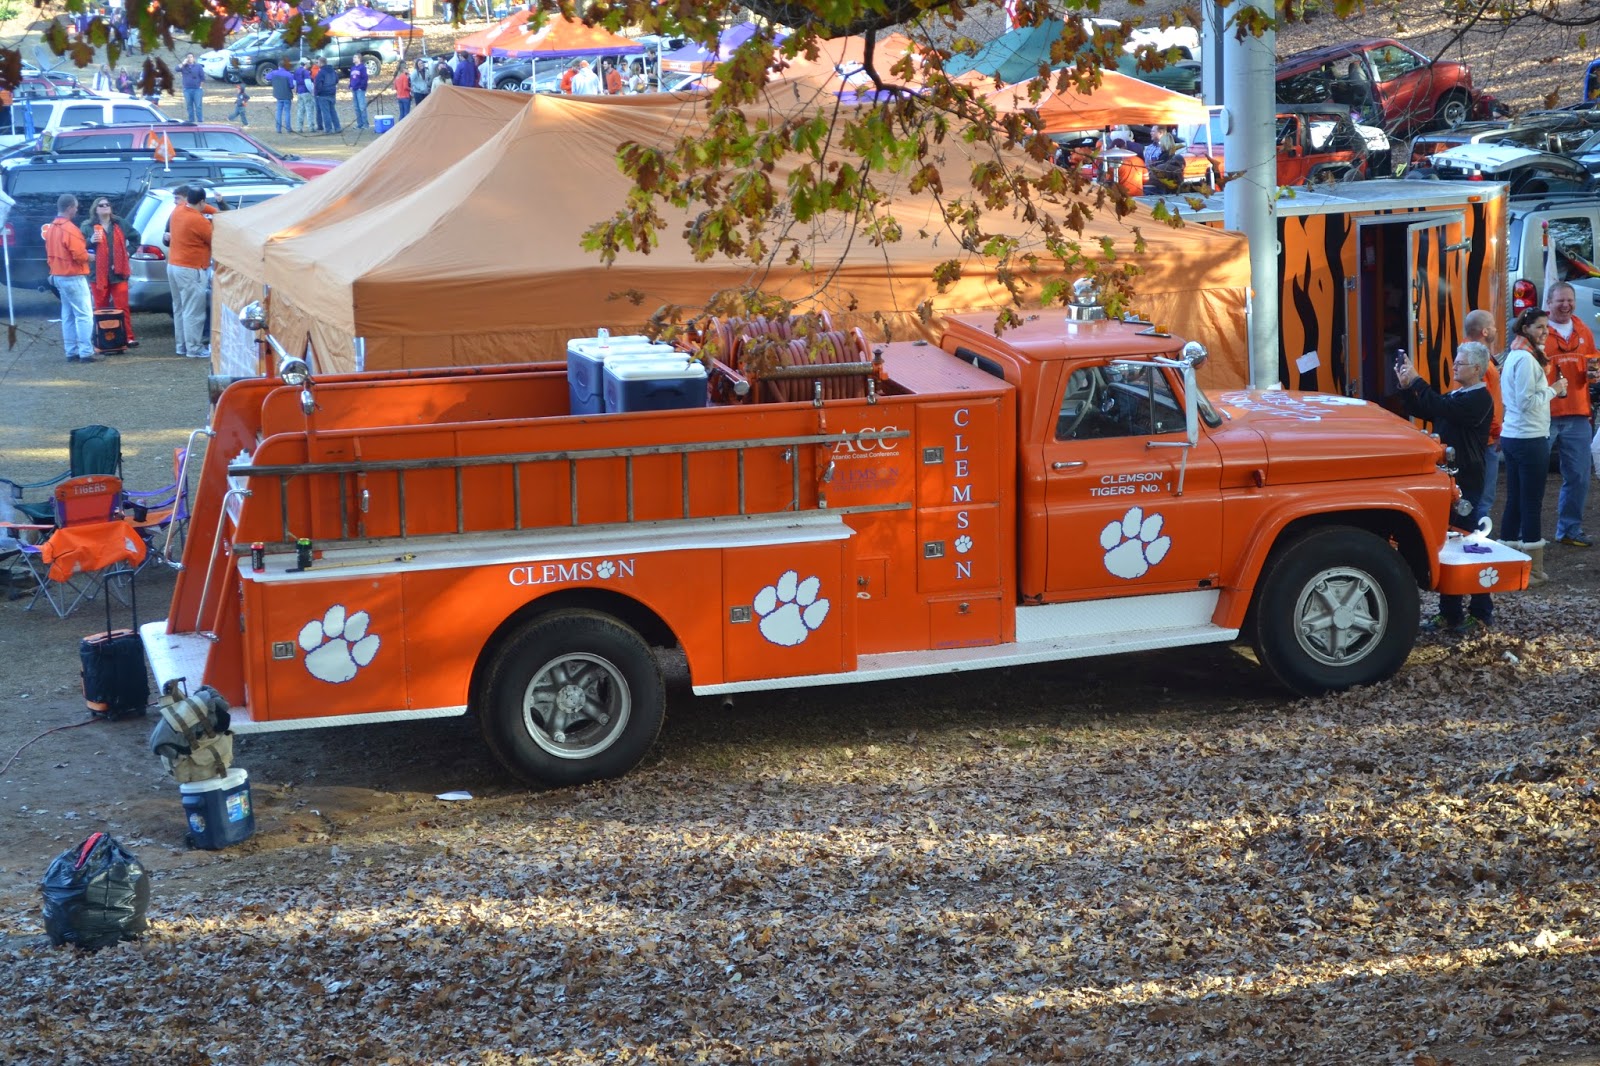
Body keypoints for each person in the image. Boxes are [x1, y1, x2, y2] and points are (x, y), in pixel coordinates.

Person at [1398, 342, 1496, 632]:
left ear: (1477, 369)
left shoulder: (1479, 398)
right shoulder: (1459, 394)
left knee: (1471, 545)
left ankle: (1480, 613)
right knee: (1449, 547)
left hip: (1467, 482)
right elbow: (1428, 407)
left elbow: (1440, 406)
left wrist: (1417, 380)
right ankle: (1450, 612)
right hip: (1449, 482)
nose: (1454, 366)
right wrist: (1406, 387)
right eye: (1455, 361)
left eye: (1460, 363)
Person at [1500, 306, 1568, 586]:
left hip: (1514, 436)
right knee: (1530, 502)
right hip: (1529, 438)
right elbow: (1527, 403)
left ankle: (1508, 560)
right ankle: (1533, 570)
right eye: (1540, 327)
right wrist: (1555, 389)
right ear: (1525, 328)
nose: (1545, 332)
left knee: (1516, 499)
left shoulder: (1515, 354)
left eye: (1547, 328)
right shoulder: (1526, 360)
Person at [1540, 281, 1595, 547]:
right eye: (1560, 300)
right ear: (1548, 303)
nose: (1566, 305)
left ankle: (1570, 530)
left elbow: (1594, 363)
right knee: (1533, 476)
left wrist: (1595, 373)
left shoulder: (1583, 329)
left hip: (1577, 414)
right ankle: (1525, 533)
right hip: (1544, 415)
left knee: (1579, 476)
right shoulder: (1538, 332)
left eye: (1570, 300)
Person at [165, 186, 219, 362]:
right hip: (191, 269)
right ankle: (194, 348)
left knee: (180, 308)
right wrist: (218, 214)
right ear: (202, 201)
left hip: (173, 266)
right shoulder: (199, 221)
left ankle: (182, 346)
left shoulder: (178, 210)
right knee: (193, 311)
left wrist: (213, 210)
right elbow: (215, 240)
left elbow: (205, 208)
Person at [42, 194, 96, 363]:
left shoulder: (51, 228)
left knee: (68, 315)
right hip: (73, 276)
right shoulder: (70, 229)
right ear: (69, 208)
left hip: (58, 275)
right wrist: (91, 257)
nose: (77, 209)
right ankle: (86, 352)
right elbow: (79, 256)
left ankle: (71, 351)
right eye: (76, 207)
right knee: (84, 315)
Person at [80, 197, 138, 350]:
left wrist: (127, 252)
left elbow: (135, 238)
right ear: (95, 209)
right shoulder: (87, 226)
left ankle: (128, 338)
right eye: (101, 205)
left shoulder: (119, 223)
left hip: (118, 273)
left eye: (107, 205)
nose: (105, 207)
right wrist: (90, 240)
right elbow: (79, 247)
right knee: (100, 307)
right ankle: (102, 338)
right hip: (97, 274)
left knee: (122, 306)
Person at [1463, 308, 1502, 528]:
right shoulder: (1481, 363)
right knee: (1483, 497)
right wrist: (1498, 433)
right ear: (1486, 331)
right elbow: (1485, 404)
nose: (1497, 329)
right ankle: (1478, 538)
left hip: (1477, 435)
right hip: (1486, 438)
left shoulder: (1466, 355)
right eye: (1495, 325)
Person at [266, 59, 294, 133]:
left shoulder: (274, 73)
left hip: (278, 95)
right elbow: (291, 86)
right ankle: (288, 128)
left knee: (279, 112)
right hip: (287, 95)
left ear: (278, 66)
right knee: (287, 112)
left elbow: (267, 77)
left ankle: (278, 129)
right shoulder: (289, 74)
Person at [313, 58, 342, 133]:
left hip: (323, 95)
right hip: (332, 93)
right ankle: (337, 127)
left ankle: (328, 129)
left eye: (318, 62)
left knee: (326, 112)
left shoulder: (321, 73)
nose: (317, 64)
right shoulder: (333, 71)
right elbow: (336, 80)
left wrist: (317, 93)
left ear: (321, 63)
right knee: (332, 111)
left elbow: (318, 84)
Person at [180, 54, 204, 123]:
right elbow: (177, 69)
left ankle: (200, 120)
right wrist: (183, 63)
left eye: (191, 57)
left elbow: (202, 77)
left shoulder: (198, 66)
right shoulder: (184, 67)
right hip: (187, 89)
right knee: (189, 106)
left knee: (198, 105)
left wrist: (200, 87)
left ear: (193, 58)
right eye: (188, 57)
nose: (189, 58)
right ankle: (191, 120)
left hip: (197, 89)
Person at [293, 58, 315, 132]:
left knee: (300, 110)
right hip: (306, 92)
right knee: (309, 110)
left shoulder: (296, 71)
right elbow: (308, 83)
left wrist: (296, 89)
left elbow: (294, 82)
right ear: (305, 64)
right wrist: (311, 91)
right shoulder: (305, 72)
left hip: (299, 92)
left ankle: (299, 127)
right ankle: (311, 127)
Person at [348, 59, 368, 130]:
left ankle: (365, 124)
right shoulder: (353, 68)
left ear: (359, 59)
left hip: (360, 89)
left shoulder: (362, 68)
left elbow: (365, 78)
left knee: (362, 106)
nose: (353, 59)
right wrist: (350, 85)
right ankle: (359, 124)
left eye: (355, 57)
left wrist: (362, 87)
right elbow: (351, 78)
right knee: (356, 107)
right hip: (354, 89)